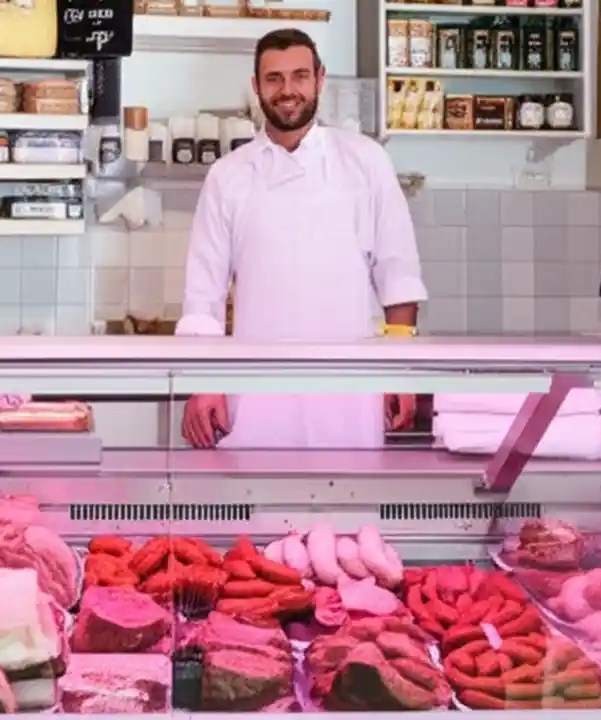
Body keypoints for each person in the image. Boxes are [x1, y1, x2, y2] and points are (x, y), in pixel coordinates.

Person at [176, 28, 428, 450]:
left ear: (320, 79)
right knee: (258, 503)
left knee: (347, 508)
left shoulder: (365, 160)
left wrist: (398, 372)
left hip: (350, 388)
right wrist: (204, 384)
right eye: (274, 79)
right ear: (256, 86)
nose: (287, 90)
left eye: (299, 76)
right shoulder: (228, 175)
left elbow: (398, 271)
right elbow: (204, 294)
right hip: (255, 390)